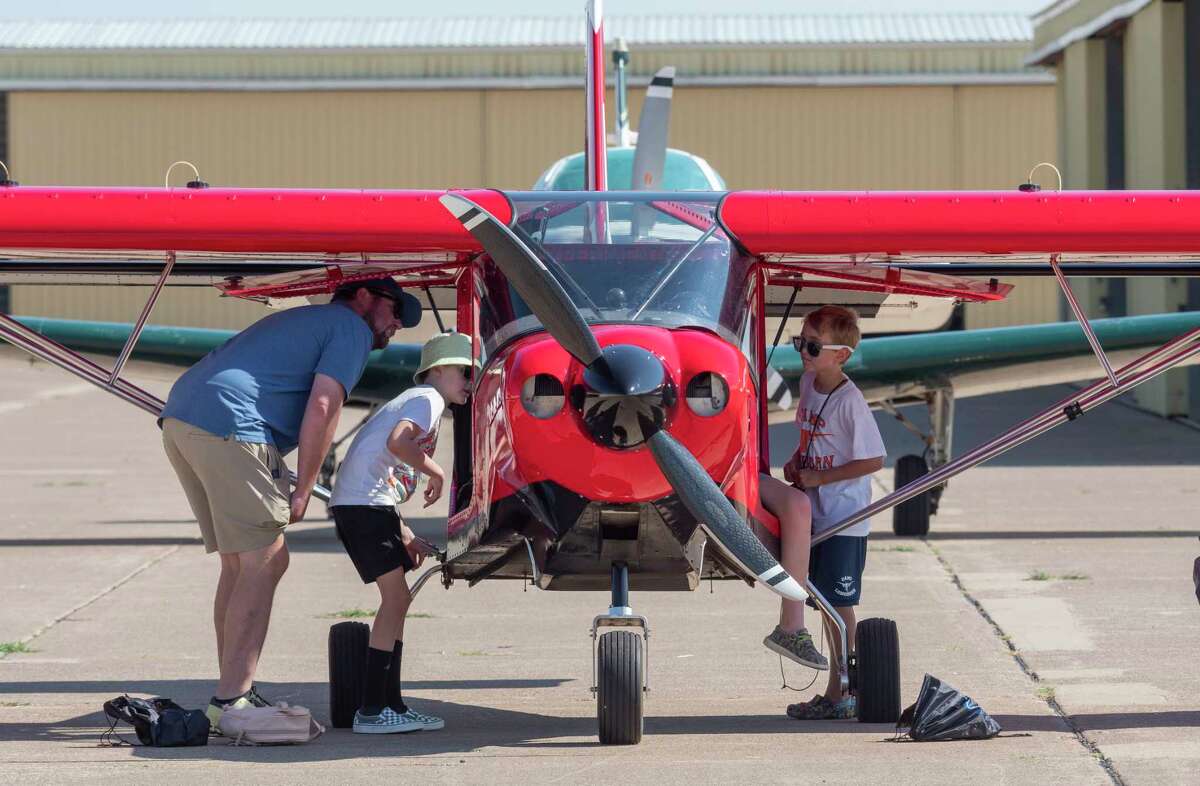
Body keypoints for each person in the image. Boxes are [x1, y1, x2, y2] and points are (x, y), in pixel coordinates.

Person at [158, 278, 421, 730]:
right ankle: (232, 698)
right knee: (267, 561)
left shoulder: (309, 320)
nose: (397, 323)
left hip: (183, 418)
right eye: (395, 309)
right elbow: (324, 404)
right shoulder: (350, 328)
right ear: (362, 297)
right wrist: (305, 487)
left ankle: (232, 688)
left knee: (240, 564)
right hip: (231, 425)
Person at [329, 331, 475, 734]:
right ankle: (373, 711)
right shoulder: (428, 399)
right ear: (439, 369)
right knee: (395, 599)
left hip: (368, 506)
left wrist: (405, 532)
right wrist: (437, 471)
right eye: (464, 371)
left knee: (400, 601)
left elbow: (379, 473)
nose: (470, 381)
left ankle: (392, 704)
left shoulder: (418, 400)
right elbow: (398, 443)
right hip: (363, 507)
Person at [781, 305, 886, 721]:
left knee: (839, 606)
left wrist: (822, 479)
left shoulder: (851, 402)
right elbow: (808, 434)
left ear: (840, 355)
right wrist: (796, 459)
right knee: (823, 603)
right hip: (816, 514)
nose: (803, 352)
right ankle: (837, 690)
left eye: (812, 345)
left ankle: (847, 690)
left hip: (845, 518)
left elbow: (874, 459)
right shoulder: (809, 383)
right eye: (800, 342)